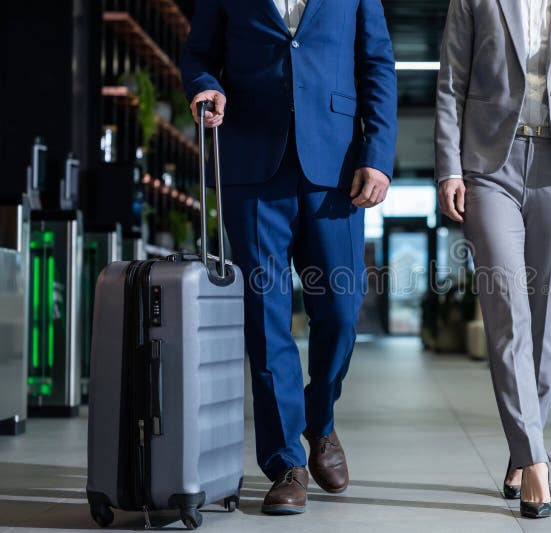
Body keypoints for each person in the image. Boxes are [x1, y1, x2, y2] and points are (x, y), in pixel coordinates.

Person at [181, 0, 397, 516]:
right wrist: (204, 85)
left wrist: (378, 156)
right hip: (253, 167)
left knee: (342, 312)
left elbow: (377, 65)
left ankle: (319, 422)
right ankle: (285, 464)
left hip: (337, 166)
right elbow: (198, 53)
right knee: (265, 317)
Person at [435, 0, 551, 519]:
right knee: (506, 309)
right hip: (491, 167)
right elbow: (451, 83)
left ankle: (521, 444)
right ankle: (536, 460)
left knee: (547, 319)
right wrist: (449, 169)